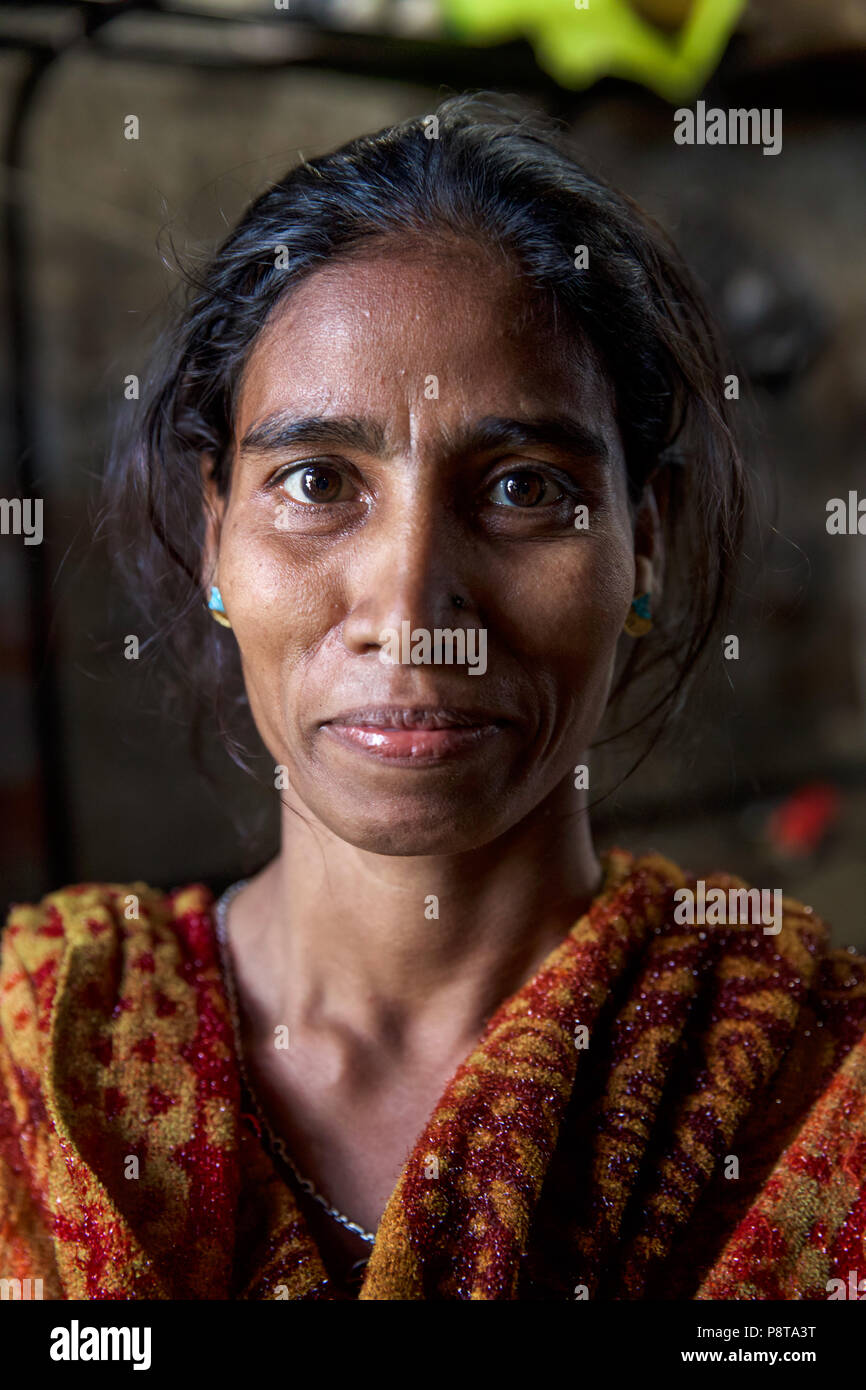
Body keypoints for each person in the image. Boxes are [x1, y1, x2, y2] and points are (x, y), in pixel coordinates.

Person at [1, 92, 864, 1302]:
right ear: (214, 541)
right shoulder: (43, 1053)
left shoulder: (809, 1078)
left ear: (643, 543)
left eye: (520, 489)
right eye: (314, 480)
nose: (410, 613)